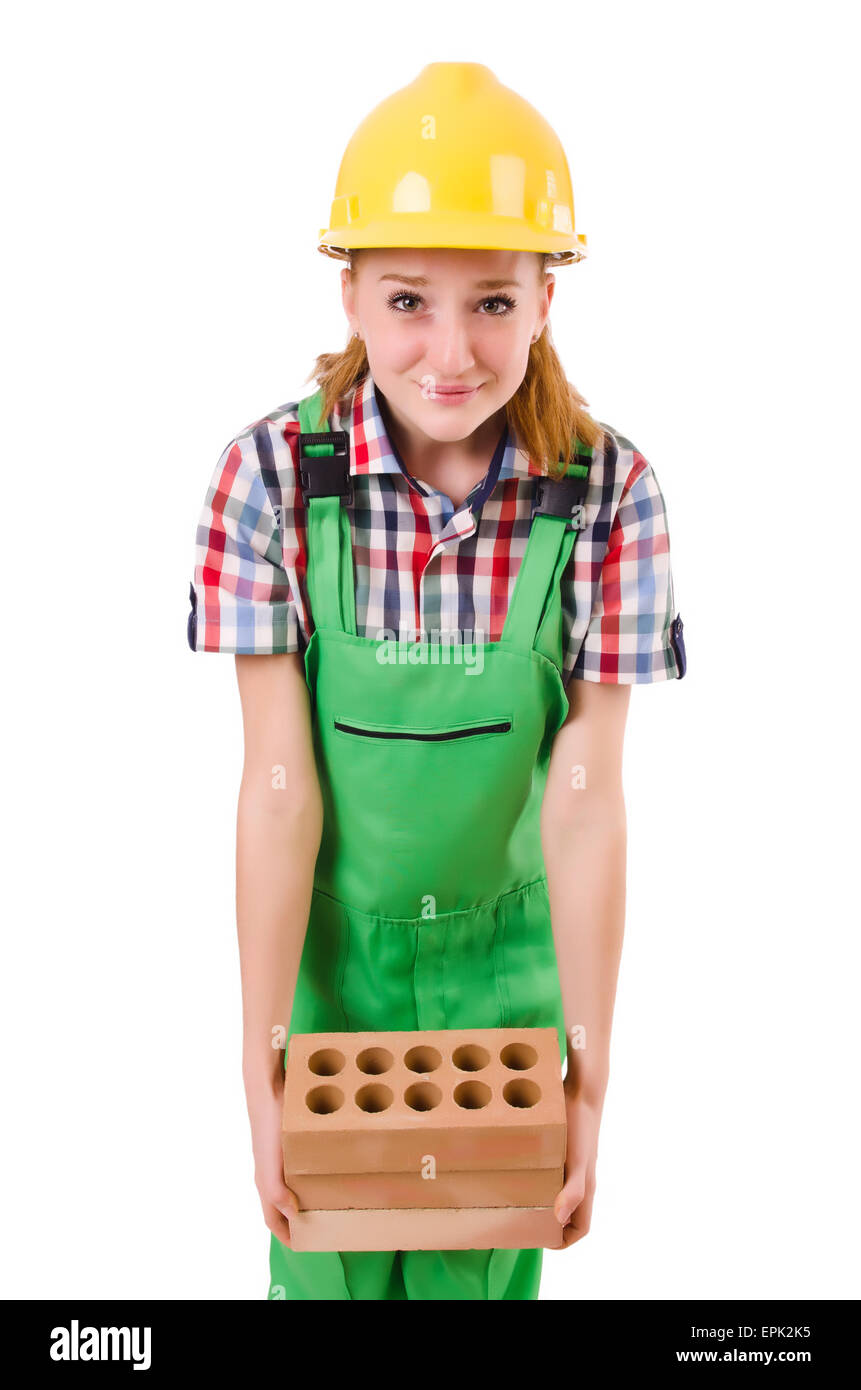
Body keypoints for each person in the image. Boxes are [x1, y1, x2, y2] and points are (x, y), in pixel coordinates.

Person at [187, 61, 686, 1301]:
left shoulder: (608, 494)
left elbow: (583, 794)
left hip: (511, 993)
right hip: (331, 979)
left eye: (495, 303)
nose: (451, 353)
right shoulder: (272, 483)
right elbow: (277, 786)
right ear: (348, 286)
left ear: (546, 301)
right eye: (408, 298)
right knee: (323, 1285)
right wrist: (262, 1061)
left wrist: (590, 1066)